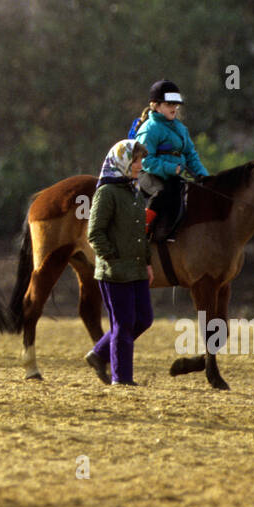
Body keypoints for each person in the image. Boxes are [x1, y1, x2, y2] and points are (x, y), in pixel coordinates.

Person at [84, 139, 154, 387]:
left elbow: (140, 232)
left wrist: (146, 262)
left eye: (140, 160)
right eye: (136, 160)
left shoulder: (134, 191)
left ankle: (99, 353)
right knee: (123, 324)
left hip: (136, 270)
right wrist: (111, 257)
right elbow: (94, 233)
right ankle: (121, 379)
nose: (140, 165)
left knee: (144, 319)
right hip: (114, 271)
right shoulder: (106, 193)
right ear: (123, 161)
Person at [132, 80, 209, 241]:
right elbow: (145, 161)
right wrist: (170, 168)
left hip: (172, 176)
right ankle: (141, 231)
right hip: (147, 175)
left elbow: (191, 155)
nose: (174, 108)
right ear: (156, 106)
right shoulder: (149, 129)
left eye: (176, 104)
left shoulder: (181, 129)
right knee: (163, 193)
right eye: (169, 104)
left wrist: (204, 176)